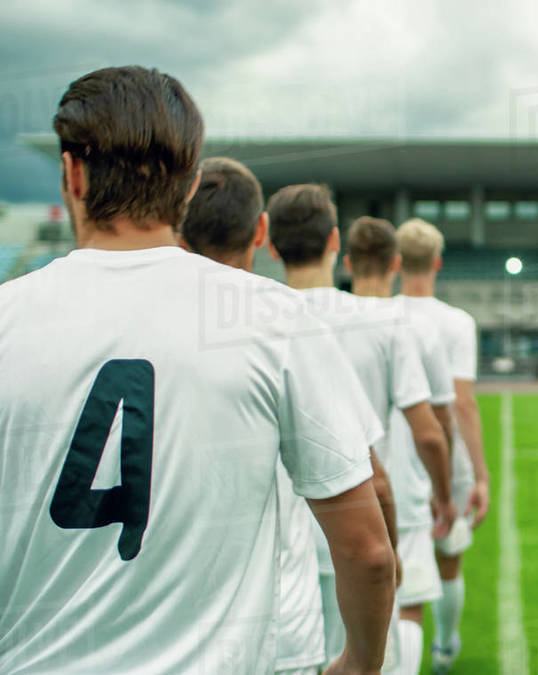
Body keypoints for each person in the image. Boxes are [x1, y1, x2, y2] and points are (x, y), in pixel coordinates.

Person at [0, 66, 394, 674]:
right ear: (188, 189)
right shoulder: (272, 319)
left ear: (72, 174)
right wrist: (361, 664)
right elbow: (367, 550)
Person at [265, 188, 456, 675]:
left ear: (268, 243)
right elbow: (427, 430)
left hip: (275, 542)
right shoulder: (385, 321)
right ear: (333, 241)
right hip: (356, 519)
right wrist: (444, 494)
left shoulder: (256, 320)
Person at [387, 217, 491, 674]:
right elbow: (463, 404)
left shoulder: (377, 313)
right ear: (437, 263)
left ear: (396, 263)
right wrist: (479, 474)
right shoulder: (455, 322)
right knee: (449, 555)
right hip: (441, 451)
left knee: (394, 569)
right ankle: (445, 645)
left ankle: (400, 650)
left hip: (390, 451)